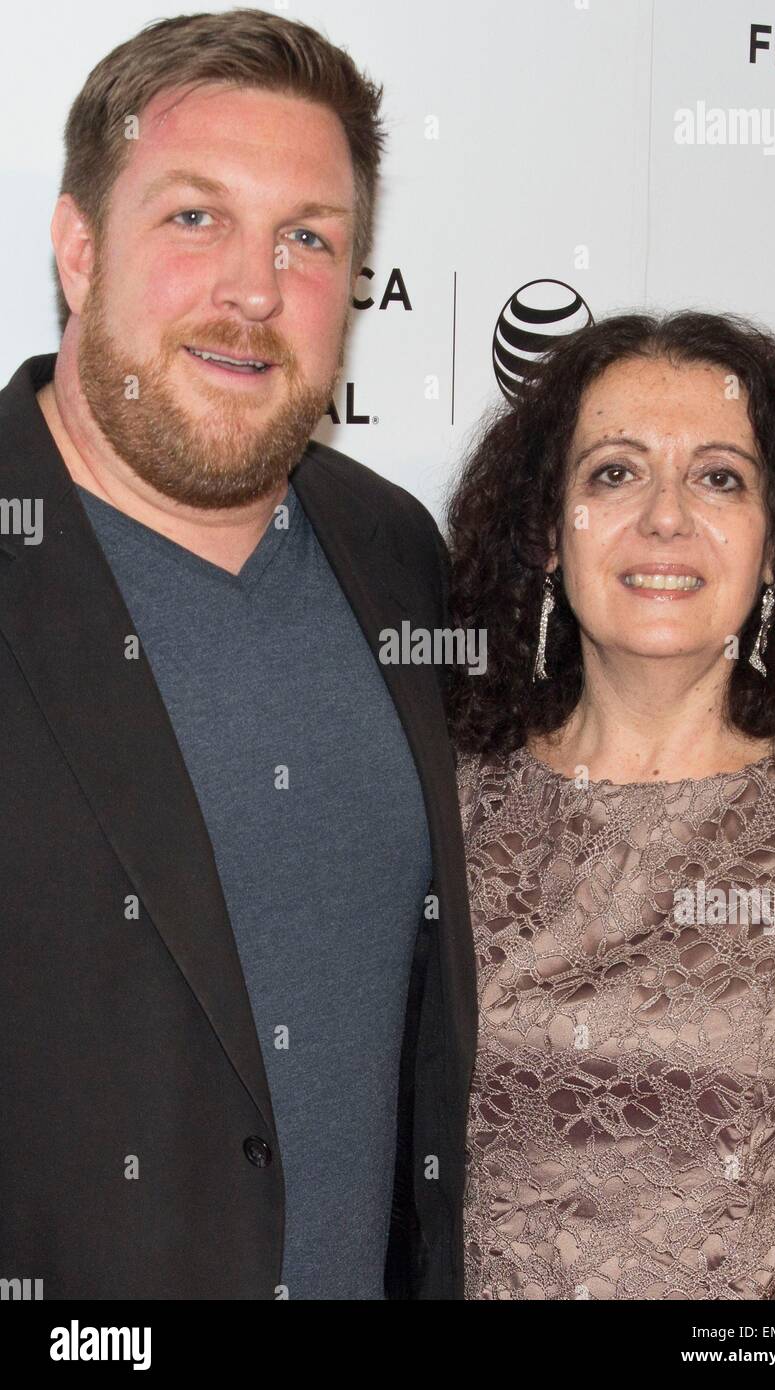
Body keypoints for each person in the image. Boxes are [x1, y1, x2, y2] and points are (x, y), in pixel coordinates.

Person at [0, 8, 476, 1300]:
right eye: (194, 217)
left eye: (308, 239)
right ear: (78, 248)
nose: (253, 291)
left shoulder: (397, 554)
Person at [446, 309, 775, 1300]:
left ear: (772, 546)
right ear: (548, 536)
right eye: (613, 473)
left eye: (718, 476)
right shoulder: (439, 808)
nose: (666, 517)